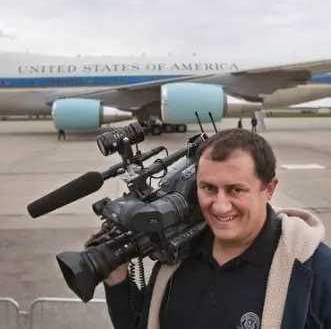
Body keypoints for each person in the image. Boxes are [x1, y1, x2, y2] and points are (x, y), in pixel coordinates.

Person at [101, 128, 331, 329]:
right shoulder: (177, 256)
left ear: (269, 189)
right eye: (208, 188)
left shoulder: (315, 270)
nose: (220, 206)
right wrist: (117, 278)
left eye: (236, 190)